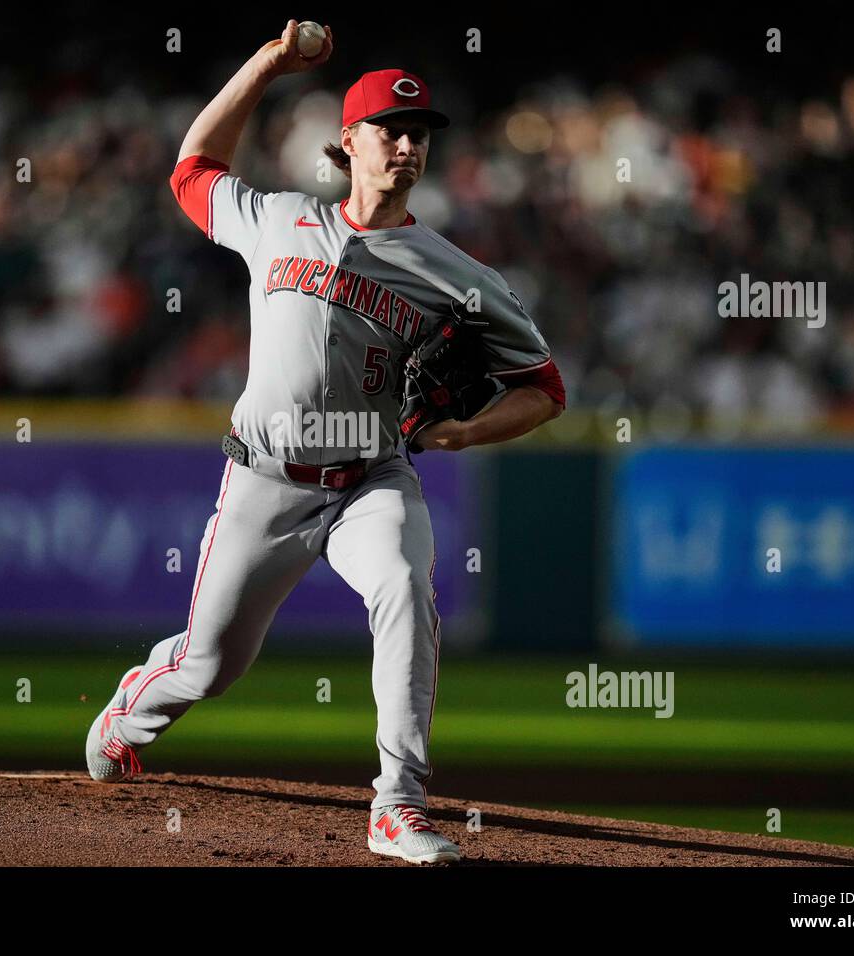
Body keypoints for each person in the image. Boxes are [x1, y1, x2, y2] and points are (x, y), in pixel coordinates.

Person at [86, 20, 566, 865]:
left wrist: (464, 432)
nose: (409, 145)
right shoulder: (278, 218)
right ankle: (131, 711)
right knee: (208, 668)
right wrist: (269, 61)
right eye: (391, 129)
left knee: (404, 591)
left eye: (419, 133)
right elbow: (191, 168)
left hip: (372, 481)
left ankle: (398, 805)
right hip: (263, 482)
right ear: (348, 142)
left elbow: (545, 390)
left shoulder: (461, 277)